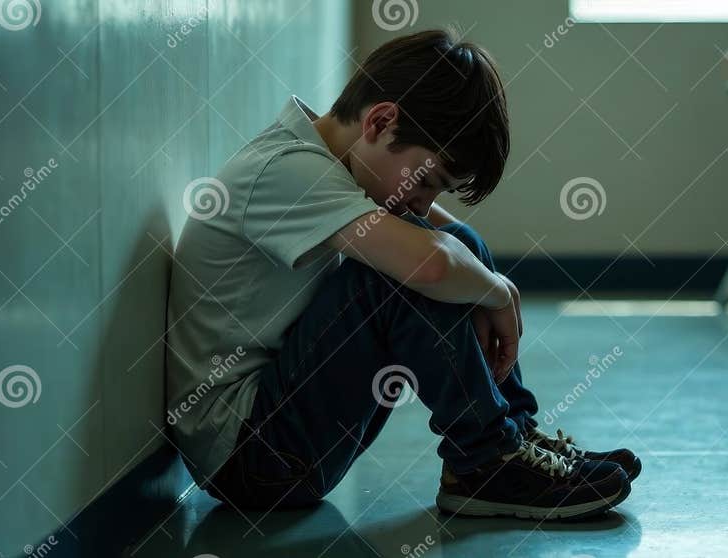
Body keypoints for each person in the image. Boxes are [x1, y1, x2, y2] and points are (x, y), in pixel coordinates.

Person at [164, 29, 640, 520]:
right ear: (381, 121)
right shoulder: (283, 170)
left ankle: (510, 439)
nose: (423, 201)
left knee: (458, 247)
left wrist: (475, 268)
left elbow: (450, 245)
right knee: (396, 276)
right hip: (251, 458)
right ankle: (488, 461)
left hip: (284, 430)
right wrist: (498, 292)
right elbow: (430, 266)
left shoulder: (326, 157)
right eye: (426, 181)